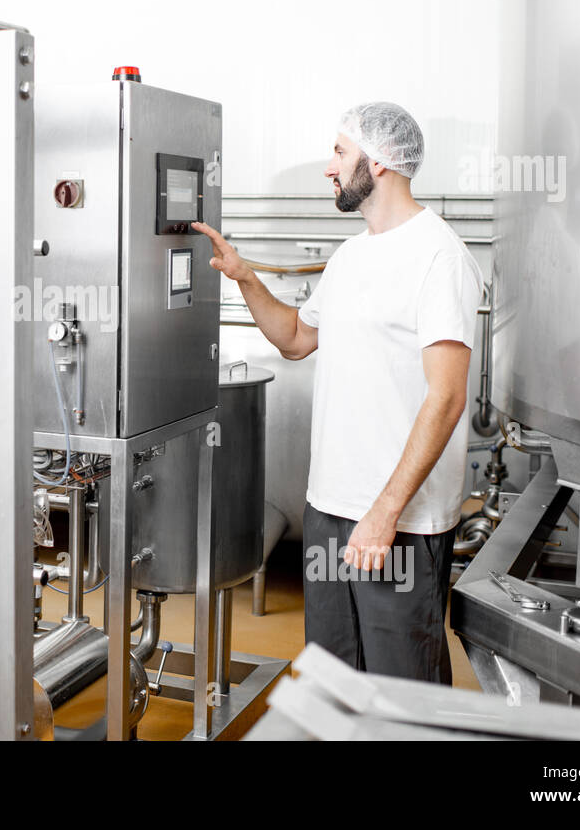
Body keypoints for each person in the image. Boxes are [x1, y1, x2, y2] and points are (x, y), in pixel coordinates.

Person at [193, 101, 482, 683]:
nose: (329, 167)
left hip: (398, 520)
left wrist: (385, 513)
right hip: (329, 509)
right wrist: (247, 278)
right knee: (334, 679)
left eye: (340, 152)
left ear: (377, 164)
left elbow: (447, 398)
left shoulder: (439, 258)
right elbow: (297, 338)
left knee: (402, 693)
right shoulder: (350, 257)